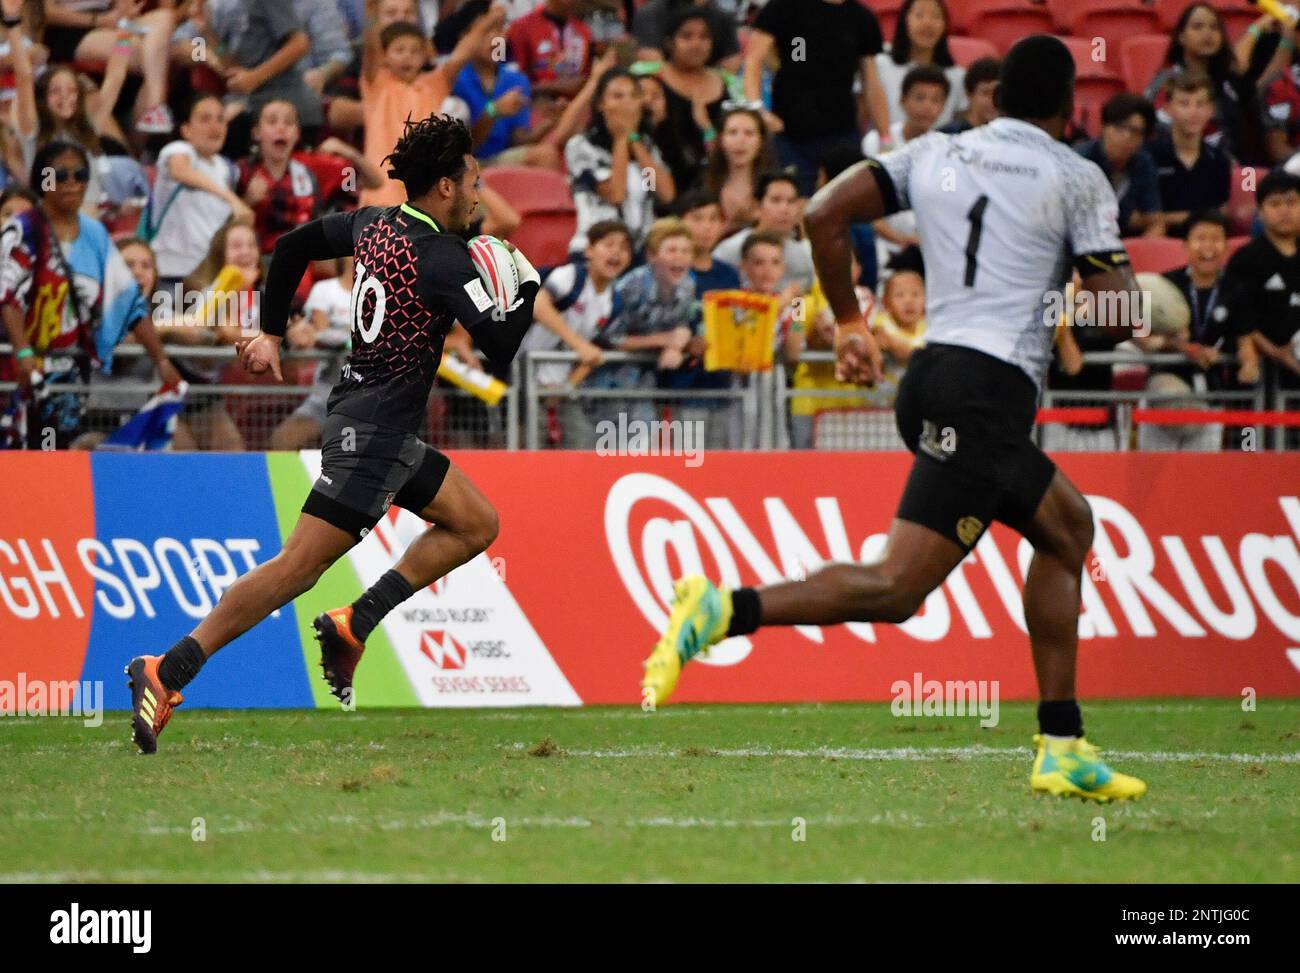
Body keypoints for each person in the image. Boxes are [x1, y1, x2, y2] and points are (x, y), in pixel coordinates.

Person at [640, 35, 1148, 804]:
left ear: (995, 97)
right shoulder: (1076, 176)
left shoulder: (935, 152)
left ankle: (1063, 739)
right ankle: (722, 609)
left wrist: (849, 322)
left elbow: (821, 213)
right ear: (1066, 110)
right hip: (984, 391)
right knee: (900, 584)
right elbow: (1118, 320)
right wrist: (1079, 304)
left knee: (1063, 530)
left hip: (938, 375)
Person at [123, 114, 542, 754]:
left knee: (477, 523)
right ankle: (169, 668)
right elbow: (501, 349)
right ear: (448, 188)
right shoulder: (444, 257)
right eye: (475, 182)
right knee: (298, 567)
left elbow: (289, 246)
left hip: (378, 428)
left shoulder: (373, 223)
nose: (481, 196)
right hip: (373, 435)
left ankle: (357, 621)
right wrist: (526, 287)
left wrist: (270, 329)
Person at [0, 140, 176, 449]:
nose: (71, 183)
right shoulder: (22, 230)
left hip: (71, 379)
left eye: (80, 175)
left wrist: (160, 359)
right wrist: (23, 352)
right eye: (61, 175)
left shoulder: (95, 234)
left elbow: (129, 300)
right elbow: (7, 293)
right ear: (43, 179)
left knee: (59, 460)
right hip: (20, 373)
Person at [744, 0, 889, 198]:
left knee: (844, 207)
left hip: (842, 133)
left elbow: (871, 81)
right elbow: (753, 59)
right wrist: (758, 109)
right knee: (793, 205)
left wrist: (885, 137)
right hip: (790, 133)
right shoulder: (784, 7)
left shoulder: (862, 17)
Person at [359, 8, 502, 207]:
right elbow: (371, 46)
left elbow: (464, 51)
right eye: (399, 50)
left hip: (421, 196)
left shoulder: (435, 84)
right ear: (384, 56)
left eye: (415, 51)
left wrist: (490, 20)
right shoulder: (376, 83)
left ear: (425, 55)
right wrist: (371, 9)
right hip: (381, 196)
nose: (407, 56)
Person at [521, 219, 633, 446]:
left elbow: (594, 352)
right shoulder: (571, 276)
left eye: (624, 248)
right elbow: (538, 305)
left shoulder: (614, 301)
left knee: (582, 443)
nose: (616, 253)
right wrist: (578, 345)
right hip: (526, 379)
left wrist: (565, 389)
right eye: (609, 244)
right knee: (528, 448)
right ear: (589, 250)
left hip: (563, 390)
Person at [237, 99, 384, 254]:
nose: (281, 128)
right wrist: (247, 200)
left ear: (297, 134)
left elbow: (374, 182)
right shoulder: (241, 172)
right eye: (272, 122)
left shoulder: (315, 167)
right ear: (256, 133)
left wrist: (348, 152)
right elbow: (222, 228)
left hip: (306, 261)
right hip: (258, 261)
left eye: (288, 122)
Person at [565, 67, 676, 254]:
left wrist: (634, 141)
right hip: (595, 250)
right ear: (601, 104)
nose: (627, 103)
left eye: (634, 96)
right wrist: (621, 139)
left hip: (641, 250)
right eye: (618, 96)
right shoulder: (581, 146)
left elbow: (665, 193)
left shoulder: (645, 146)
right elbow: (616, 195)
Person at [148, 93, 252, 290]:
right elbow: (181, 171)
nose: (215, 126)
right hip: (172, 274)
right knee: (172, 322)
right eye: (205, 119)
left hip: (210, 276)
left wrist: (247, 202)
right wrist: (233, 199)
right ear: (186, 129)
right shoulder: (178, 151)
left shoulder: (228, 169)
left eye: (220, 119)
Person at [450, 0, 561, 169]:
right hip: (462, 166)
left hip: (497, 161)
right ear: (464, 36)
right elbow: (465, 149)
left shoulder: (517, 80)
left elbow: (517, 140)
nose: (496, 39)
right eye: (487, 30)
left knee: (547, 154)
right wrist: (493, 111)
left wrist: (550, 122)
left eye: (500, 29)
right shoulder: (453, 78)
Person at [1221, 169, 1300, 401]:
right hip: (1257, 376)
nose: (1284, 211)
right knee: (1251, 436)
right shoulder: (1246, 259)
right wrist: (1276, 352)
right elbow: (1238, 316)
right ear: (1260, 211)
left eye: (1292, 203)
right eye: (1275, 204)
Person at [40, 0, 175, 133]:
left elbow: (125, 11)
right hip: (71, 28)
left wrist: (126, 14)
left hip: (113, 22)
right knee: (151, 56)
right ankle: (136, 144)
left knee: (164, 18)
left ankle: (155, 107)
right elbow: (47, 12)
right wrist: (100, 20)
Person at [1144, 3, 1254, 162]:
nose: (1207, 33)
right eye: (1198, 27)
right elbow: (1157, 131)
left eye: (1214, 27)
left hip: (1231, 167)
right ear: (1181, 37)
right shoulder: (1166, 81)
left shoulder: (1230, 82)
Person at [863, 65, 948, 268]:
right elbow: (863, 207)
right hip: (882, 245)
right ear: (902, 100)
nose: (927, 106)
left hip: (927, 248)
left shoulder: (948, 149)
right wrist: (899, 239)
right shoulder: (875, 141)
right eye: (920, 98)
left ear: (943, 107)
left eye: (935, 100)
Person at [648, 7, 727, 194]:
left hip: (712, 187)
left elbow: (730, 149)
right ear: (670, 42)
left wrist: (706, 127)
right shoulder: (651, 81)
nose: (696, 44)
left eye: (704, 37)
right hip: (656, 181)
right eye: (686, 36)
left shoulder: (727, 84)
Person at [1150, 72, 1230, 238]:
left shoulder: (1219, 160)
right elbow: (1138, 218)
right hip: (1161, 245)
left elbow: (1221, 213)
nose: (1193, 112)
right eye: (1184, 104)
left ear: (1210, 110)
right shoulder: (1148, 156)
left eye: (1200, 104)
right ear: (1168, 108)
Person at [1075, 93, 1164, 238]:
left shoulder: (1144, 163)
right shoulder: (1081, 160)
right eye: (1119, 128)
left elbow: (1156, 223)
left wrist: (1138, 254)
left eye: (1135, 131)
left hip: (1122, 247)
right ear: (1103, 127)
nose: (1126, 136)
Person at [712, 170, 814, 291]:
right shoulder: (729, 252)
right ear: (757, 207)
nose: (784, 209)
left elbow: (801, 304)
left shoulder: (802, 256)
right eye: (776, 200)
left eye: (791, 201)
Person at [874, 0, 964, 130]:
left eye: (936, 16)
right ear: (904, 21)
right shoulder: (880, 64)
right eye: (919, 15)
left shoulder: (957, 76)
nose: (928, 23)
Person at [702, 106, 777, 236]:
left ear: (761, 141)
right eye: (732, 132)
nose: (740, 140)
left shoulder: (774, 186)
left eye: (749, 133)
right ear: (721, 140)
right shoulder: (705, 184)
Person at [937, 55, 1000, 135]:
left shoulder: (1004, 135)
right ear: (969, 94)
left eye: (998, 93)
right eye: (985, 93)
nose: (992, 100)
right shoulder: (947, 134)